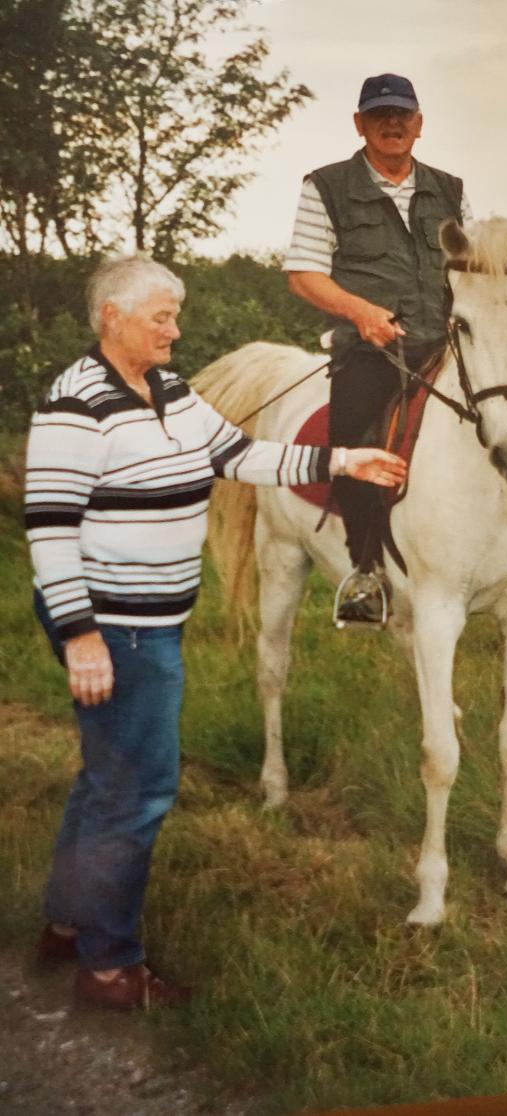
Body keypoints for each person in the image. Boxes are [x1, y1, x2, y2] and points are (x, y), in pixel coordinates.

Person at [25, 255, 406, 1011]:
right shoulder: (76, 403)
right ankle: (109, 966)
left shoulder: (168, 391)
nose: (176, 328)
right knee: (139, 789)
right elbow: (49, 528)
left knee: (105, 778)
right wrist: (81, 637)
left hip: (149, 620)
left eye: (177, 312)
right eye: (161, 315)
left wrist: (344, 459)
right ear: (113, 318)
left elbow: (241, 455)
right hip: (116, 626)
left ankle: (68, 924)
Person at [285, 72, 507, 624]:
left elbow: (474, 269)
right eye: (379, 116)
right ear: (360, 125)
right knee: (351, 433)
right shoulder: (324, 186)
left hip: (448, 344)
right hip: (373, 349)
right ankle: (367, 570)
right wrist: (361, 313)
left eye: (402, 115)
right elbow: (303, 274)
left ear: (419, 124)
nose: (392, 125)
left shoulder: (450, 188)